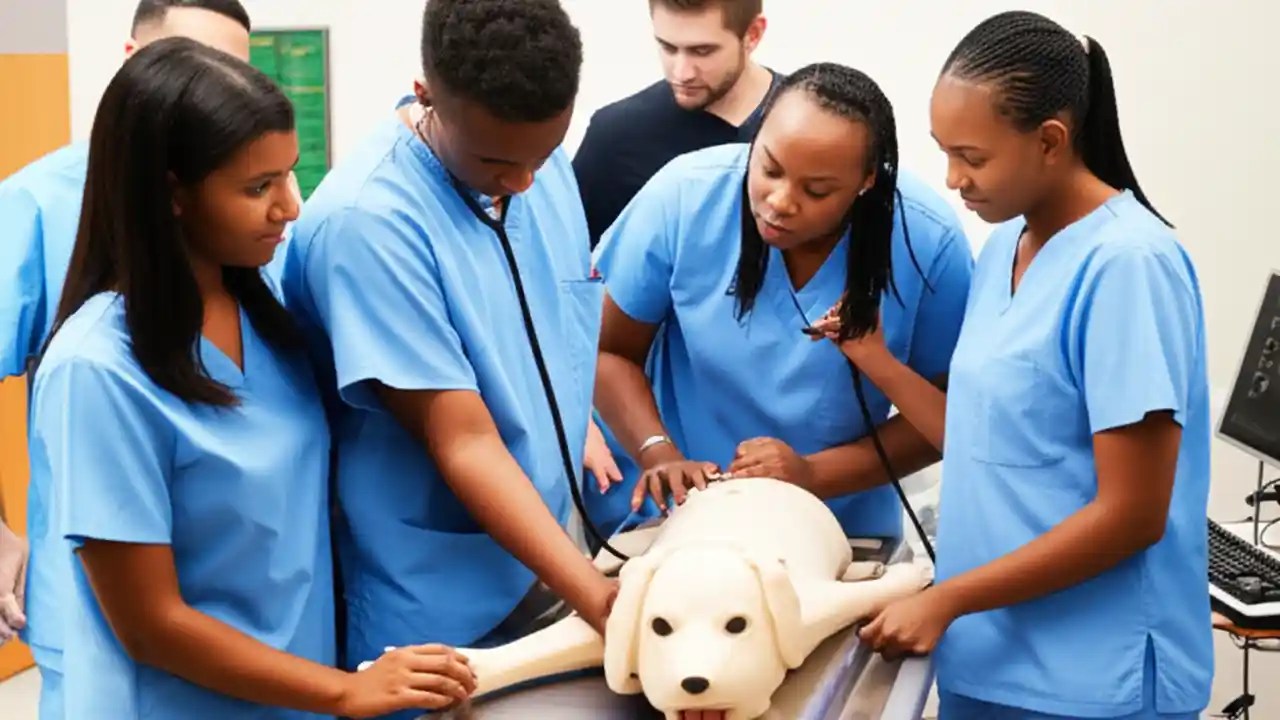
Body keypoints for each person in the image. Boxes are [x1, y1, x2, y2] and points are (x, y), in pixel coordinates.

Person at [27, 38, 476, 720]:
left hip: (292, 695)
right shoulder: (98, 370)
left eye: (290, 175)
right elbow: (151, 624)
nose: (290, 206)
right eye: (257, 187)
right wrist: (345, 690)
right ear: (172, 194)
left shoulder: (267, 310)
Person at [857, 11, 1213, 720]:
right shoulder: (1005, 249)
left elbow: (1133, 515)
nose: (953, 179)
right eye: (945, 152)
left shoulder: (1129, 266)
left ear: (1051, 140)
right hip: (988, 658)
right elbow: (985, 441)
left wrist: (950, 598)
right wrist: (871, 356)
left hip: (1091, 681)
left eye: (972, 157)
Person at [278, 0, 616, 706]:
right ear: (425, 95)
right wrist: (600, 598)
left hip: (542, 562)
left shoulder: (532, 160)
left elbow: (543, 337)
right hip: (432, 600)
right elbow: (462, 438)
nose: (524, 183)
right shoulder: (369, 224)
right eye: (497, 161)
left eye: (543, 155)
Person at [589, 62, 974, 543]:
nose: (779, 202)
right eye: (769, 169)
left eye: (817, 190)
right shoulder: (685, 197)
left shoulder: (926, 241)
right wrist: (658, 453)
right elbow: (608, 350)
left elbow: (942, 418)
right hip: (678, 516)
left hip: (839, 531)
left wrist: (812, 475)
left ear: (866, 180)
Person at [0, 0, 257, 712]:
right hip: (94, 586)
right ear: (131, 61)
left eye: (231, 74)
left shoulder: (254, 215)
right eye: (189, 63)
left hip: (242, 594)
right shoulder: (36, 204)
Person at [573, 0, 780, 250]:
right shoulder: (615, 136)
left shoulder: (810, 127)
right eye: (668, 48)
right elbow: (569, 256)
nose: (682, 73)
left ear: (753, 34)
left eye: (702, 51)